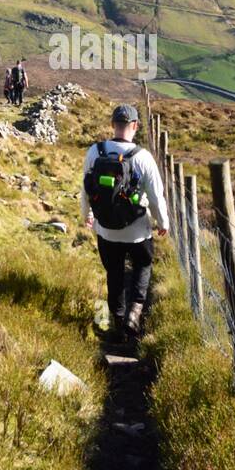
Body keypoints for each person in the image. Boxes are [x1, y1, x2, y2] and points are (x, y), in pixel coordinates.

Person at [81, 104, 169, 339]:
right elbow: (155, 195)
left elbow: (86, 190)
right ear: (135, 126)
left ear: (113, 125)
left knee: (114, 273)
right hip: (137, 230)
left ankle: (118, 322)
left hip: (106, 229)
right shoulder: (142, 157)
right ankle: (135, 312)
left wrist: (87, 216)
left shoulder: (95, 152)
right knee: (143, 263)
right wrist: (163, 222)